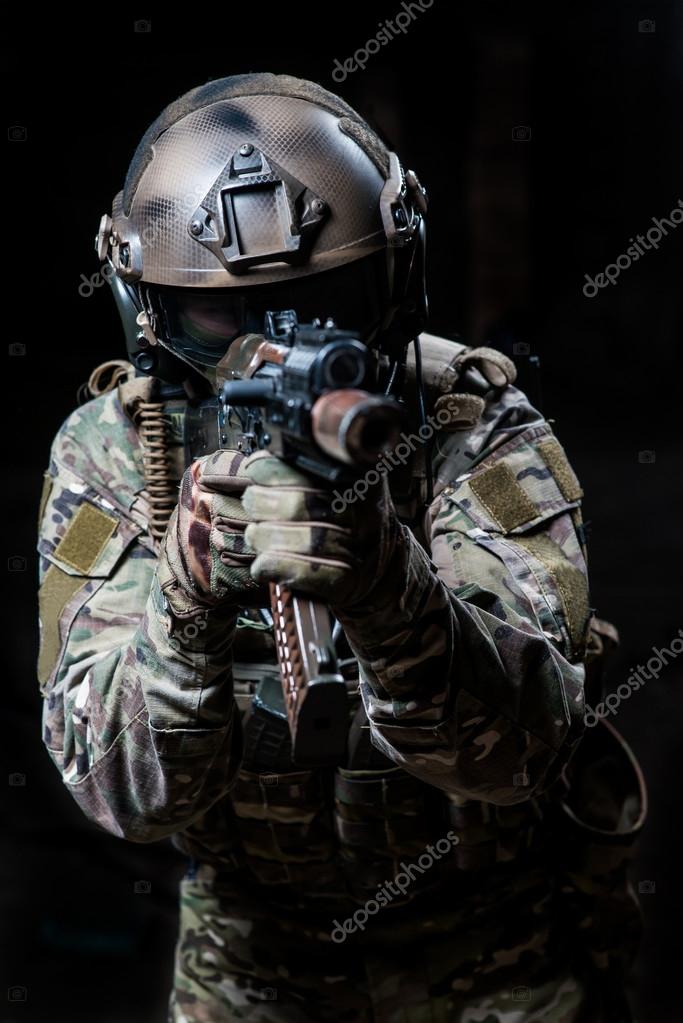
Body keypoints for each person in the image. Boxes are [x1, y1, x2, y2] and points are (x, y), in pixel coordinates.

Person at [37, 73, 646, 1022]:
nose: (270, 349)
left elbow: (522, 753)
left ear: (393, 276)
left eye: (327, 300)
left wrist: (387, 588)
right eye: (221, 318)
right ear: (146, 307)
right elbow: (122, 795)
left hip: (492, 951)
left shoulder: (473, 428)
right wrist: (186, 605)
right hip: (249, 959)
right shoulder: (113, 452)